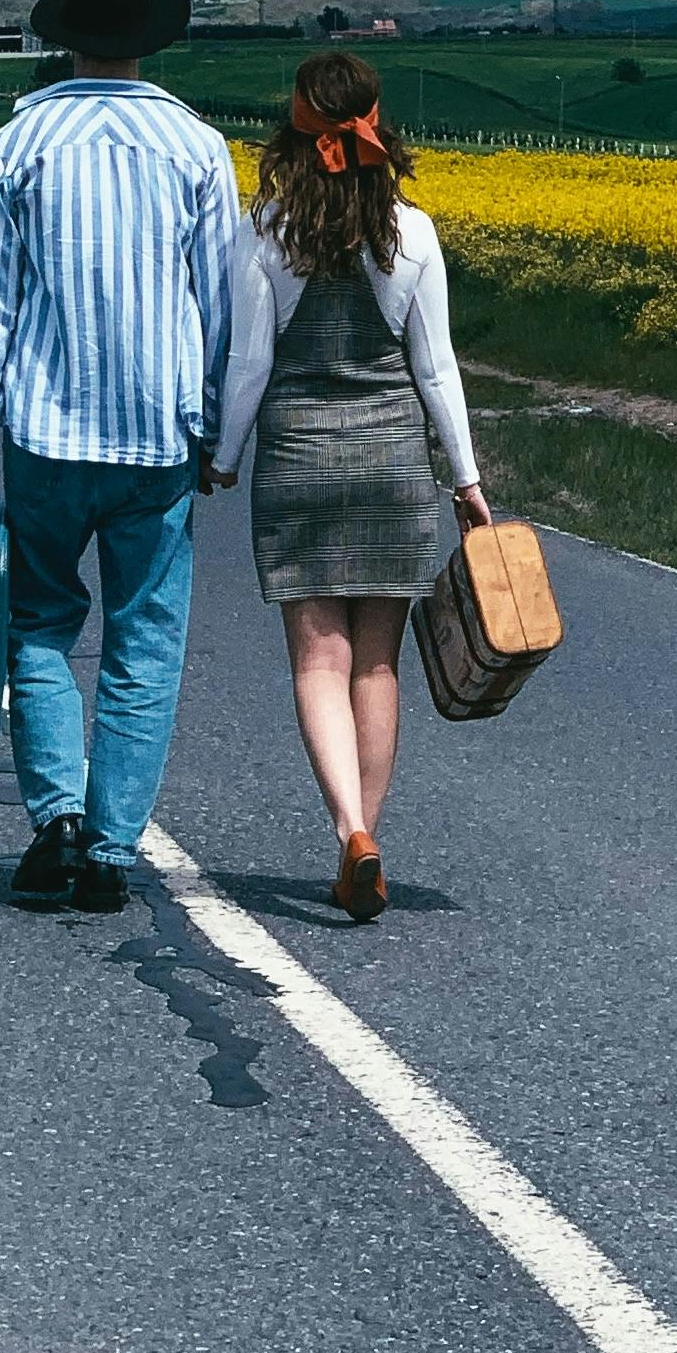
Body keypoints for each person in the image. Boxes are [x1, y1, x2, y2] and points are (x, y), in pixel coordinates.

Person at [0, 0, 237, 918]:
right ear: (148, 36)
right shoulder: (196, 145)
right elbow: (219, 304)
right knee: (146, 637)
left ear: (67, 37)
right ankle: (111, 848)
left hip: (48, 428)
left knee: (40, 624)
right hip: (158, 433)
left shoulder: (20, 143)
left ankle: (57, 818)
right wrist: (219, 430)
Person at [208, 51, 490, 922]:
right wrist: (467, 478)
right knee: (377, 662)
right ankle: (364, 841)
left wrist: (224, 456)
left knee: (317, 661)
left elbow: (250, 364)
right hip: (394, 462)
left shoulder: (266, 231)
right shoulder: (413, 232)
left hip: (299, 462)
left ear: (294, 128)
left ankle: (350, 832)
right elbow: (435, 368)